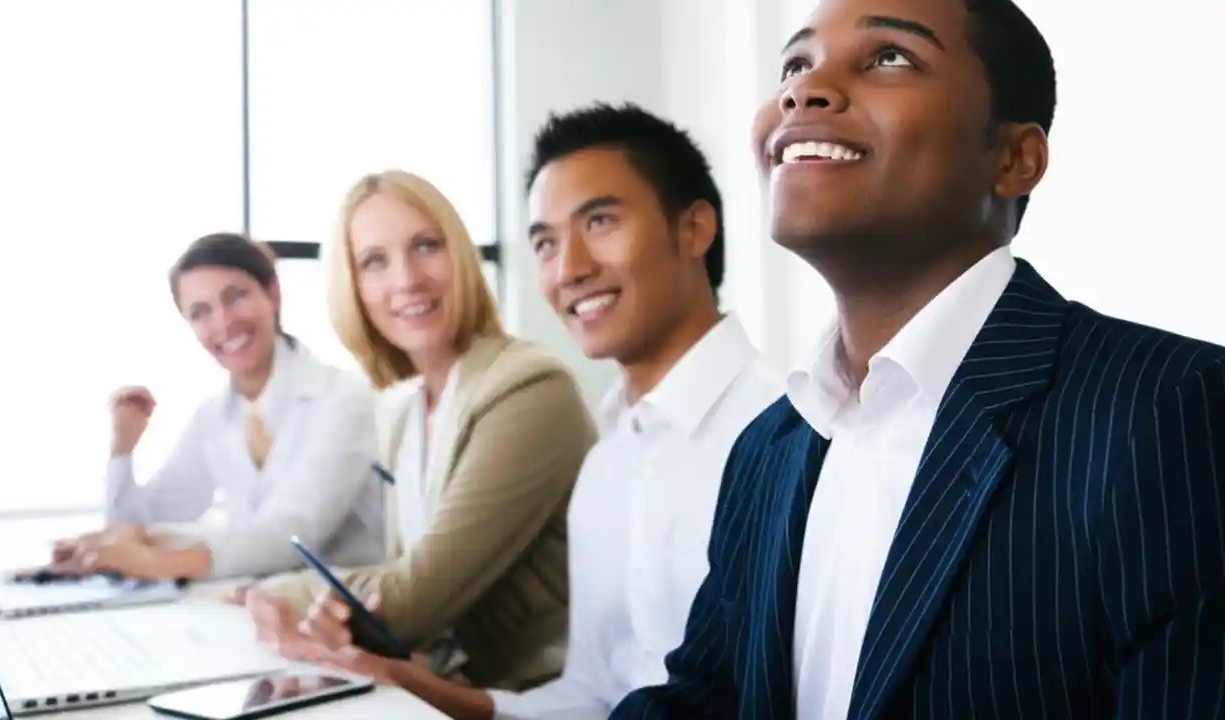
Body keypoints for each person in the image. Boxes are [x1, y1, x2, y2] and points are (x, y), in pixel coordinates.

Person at [613, 0, 1225, 718]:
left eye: (888, 58)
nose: (802, 91)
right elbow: (705, 701)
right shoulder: (767, 449)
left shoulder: (1169, 407)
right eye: (795, 65)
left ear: (1014, 159)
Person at [269, 105, 784, 719]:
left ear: (695, 228)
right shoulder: (608, 464)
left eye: (600, 221)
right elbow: (592, 695)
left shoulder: (787, 434)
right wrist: (420, 687)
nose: (570, 269)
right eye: (545, 243)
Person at [248, 170, 596, 692]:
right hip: (445, 692)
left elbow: (410, 603)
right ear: (354, 287)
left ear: (459, 254)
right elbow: (395, 584)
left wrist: (278, 592)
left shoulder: (530, 391)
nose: (407, 279)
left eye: (426, 246)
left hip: (539, 701)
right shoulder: (406, 412)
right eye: (374, 262)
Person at [46, 234, 385, 582]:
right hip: (262, 609)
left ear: (272, 293)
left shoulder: (345, 399)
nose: (223, 323)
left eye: (235, 296)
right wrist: (122, 450)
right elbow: (149, 517)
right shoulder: (213, 416)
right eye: (200, 312)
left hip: (352, 614)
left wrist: (156, 563)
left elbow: (293, 532)